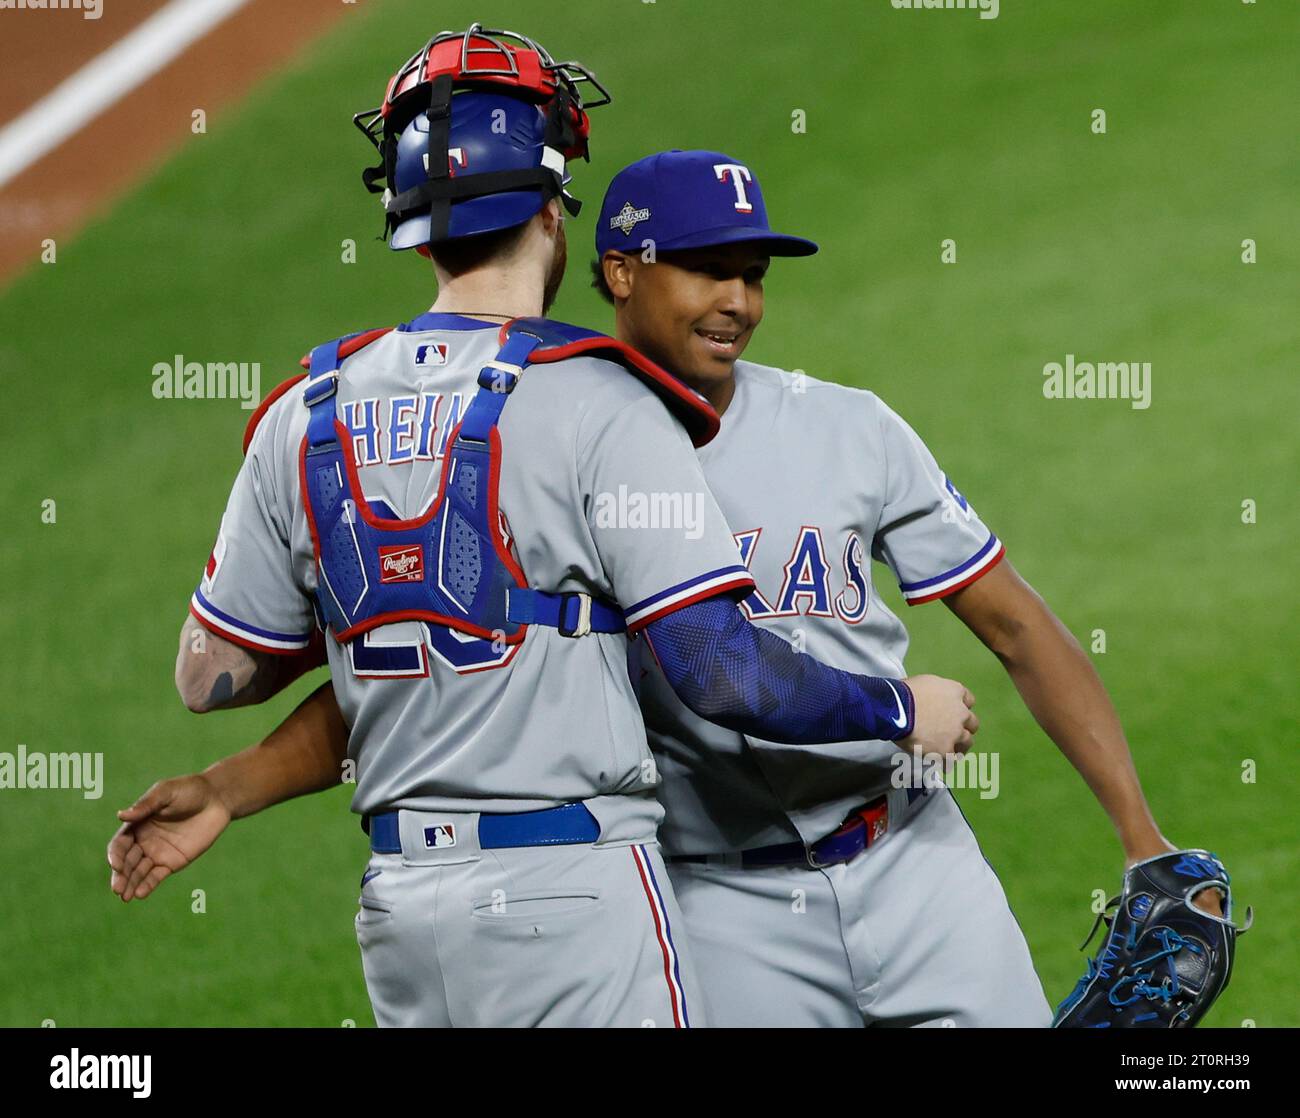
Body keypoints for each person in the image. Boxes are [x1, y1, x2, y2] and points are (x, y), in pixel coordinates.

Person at [109, 36, 976, 1030]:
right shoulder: (601, 400)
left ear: (416, 232)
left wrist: (240, 769)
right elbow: (719, 669)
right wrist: (896, 705)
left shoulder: (305, 411)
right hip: (572, 901)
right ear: (553, 209)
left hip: (404, 915)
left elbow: (210, 674)